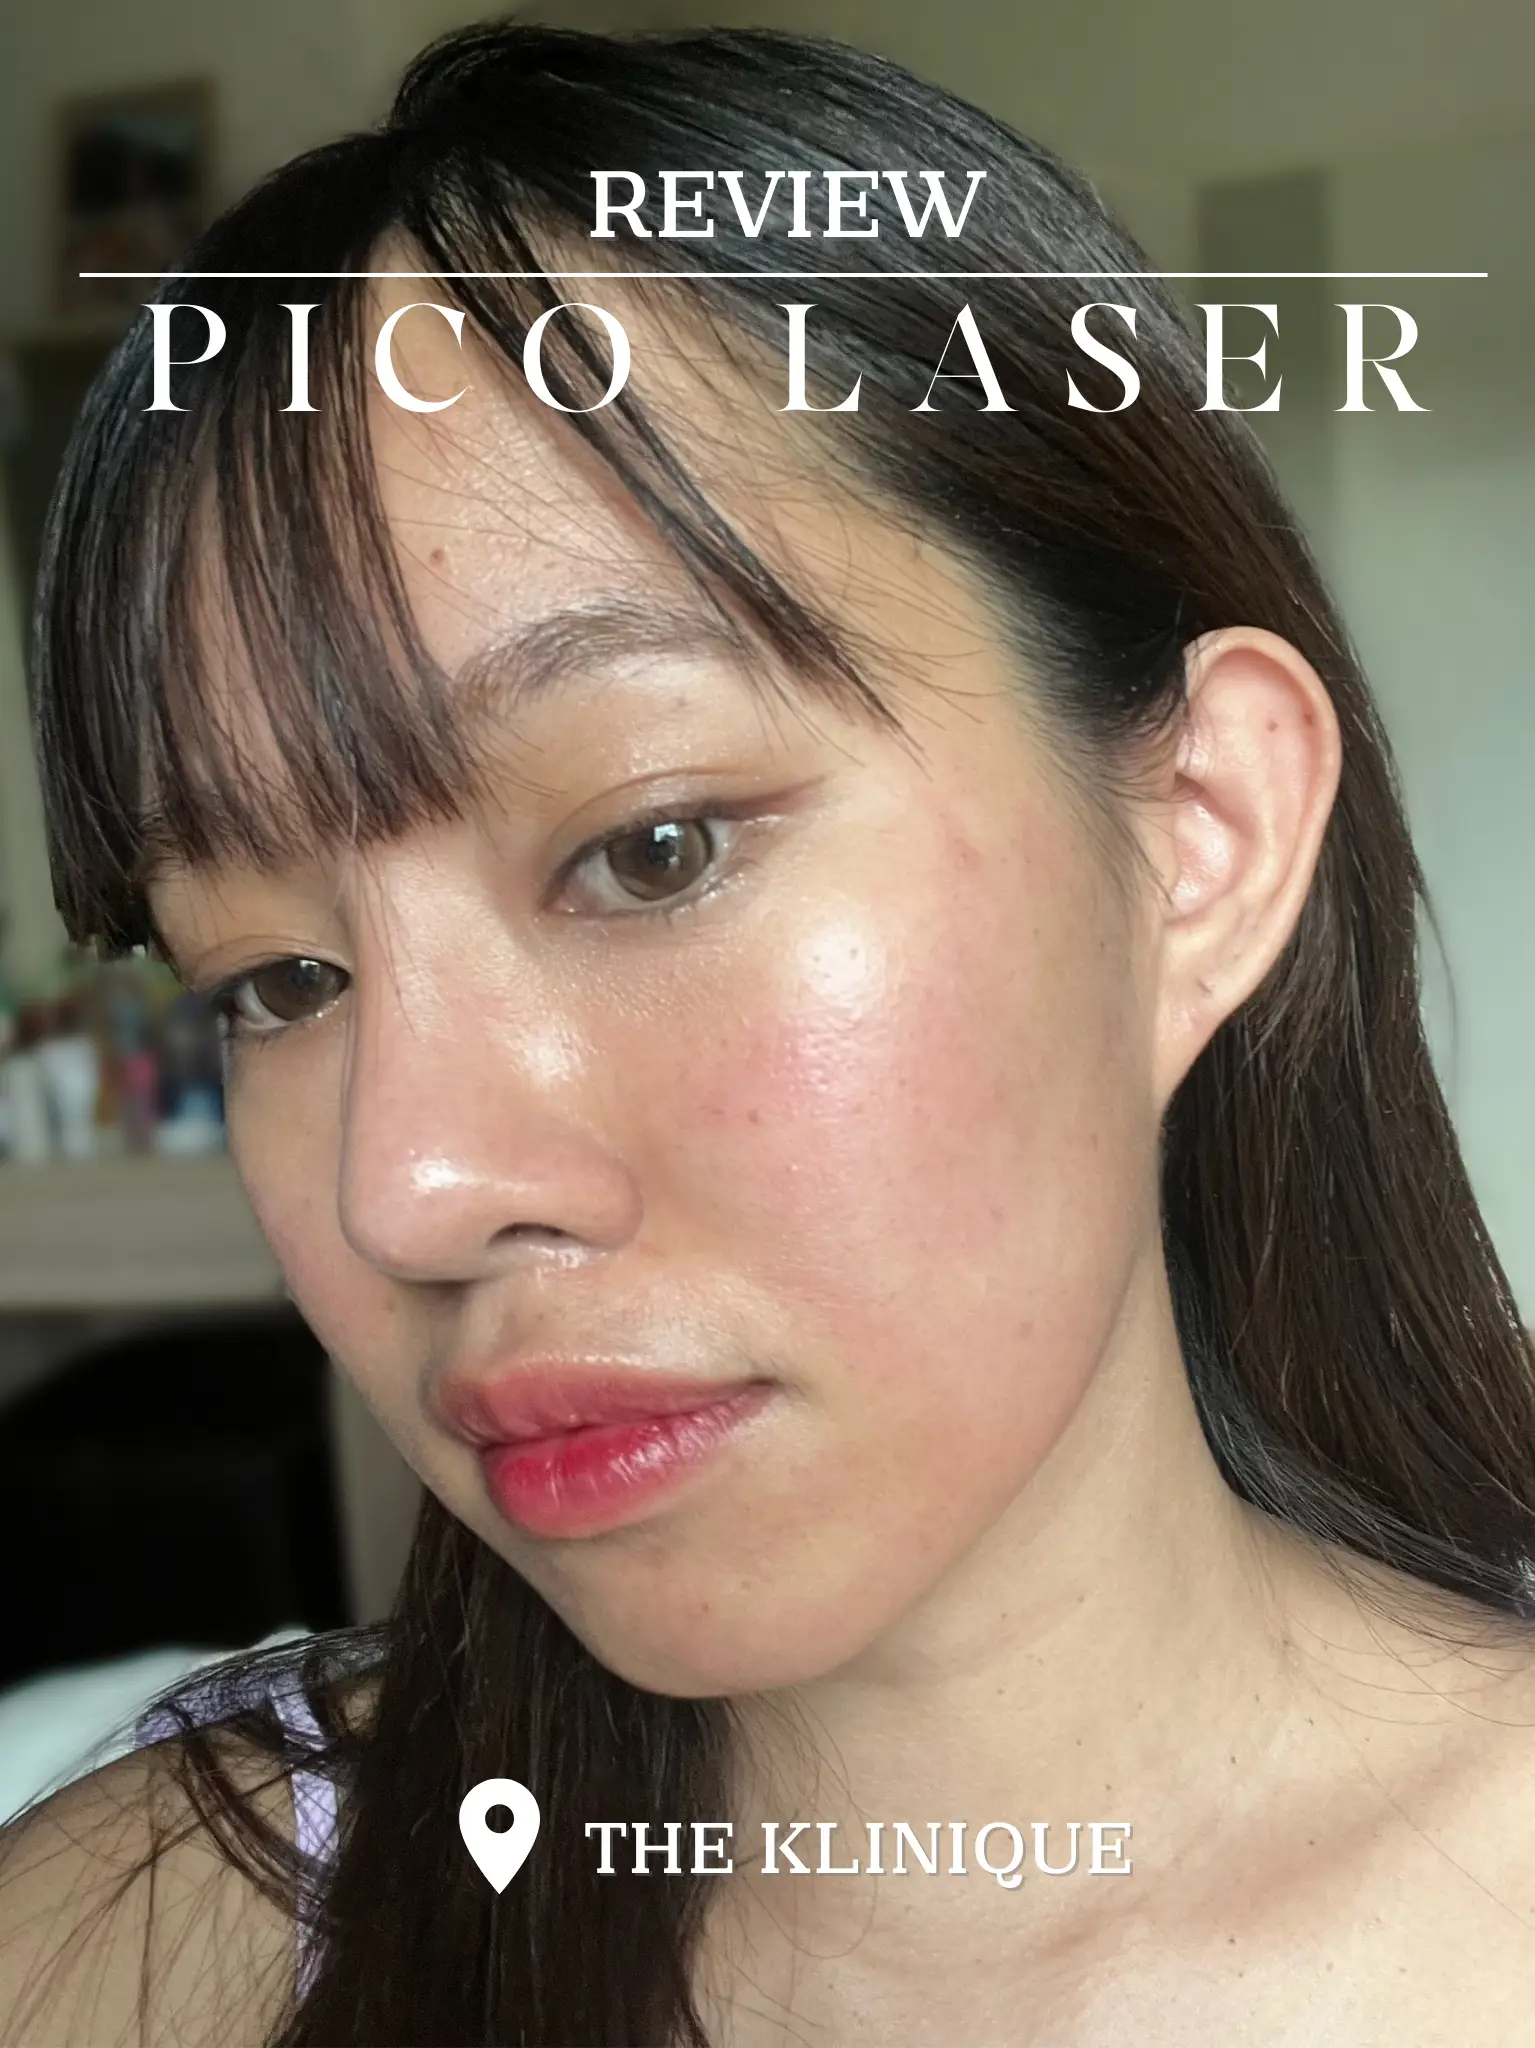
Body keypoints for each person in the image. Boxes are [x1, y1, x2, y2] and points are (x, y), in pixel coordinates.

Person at [3, 22, 1534, 2047]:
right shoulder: (145, 1942)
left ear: (1198, 837)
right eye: (274, 983)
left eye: (649, 848)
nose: (407, 1190)